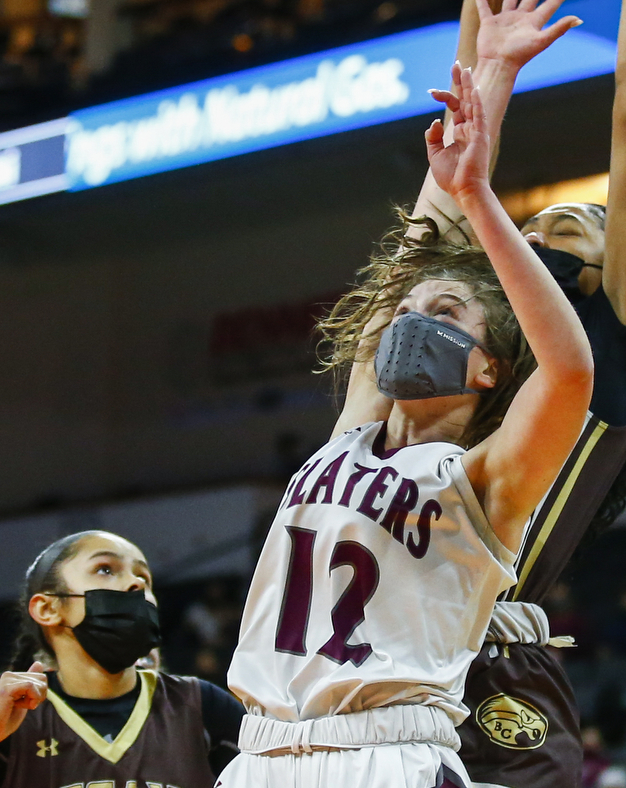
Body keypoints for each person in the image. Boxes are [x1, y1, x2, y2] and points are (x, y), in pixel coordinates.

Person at [219, 52, 594, 788]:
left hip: (387, 754)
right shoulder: (348, 440)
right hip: (259, 755)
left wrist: (481, 197)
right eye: (405, 314)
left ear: (488, 368)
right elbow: (414, 248)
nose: (410, 321)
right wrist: (488, 72)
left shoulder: (486, 479)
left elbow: (570, 371)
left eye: (445, 313)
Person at [411, 0, 626, 788]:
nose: (572, 209)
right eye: (553, 212)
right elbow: (459, 141)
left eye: (594, 223)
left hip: (483, 657)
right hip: (359, 627)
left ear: (612, 276)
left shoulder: (611, 351)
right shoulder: (463, 313)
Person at [0, 530, 245, 788]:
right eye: (105, 569)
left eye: (143, 577)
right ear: (48, 608)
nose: (137, 583)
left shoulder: (202, 706)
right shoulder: (16, 714)